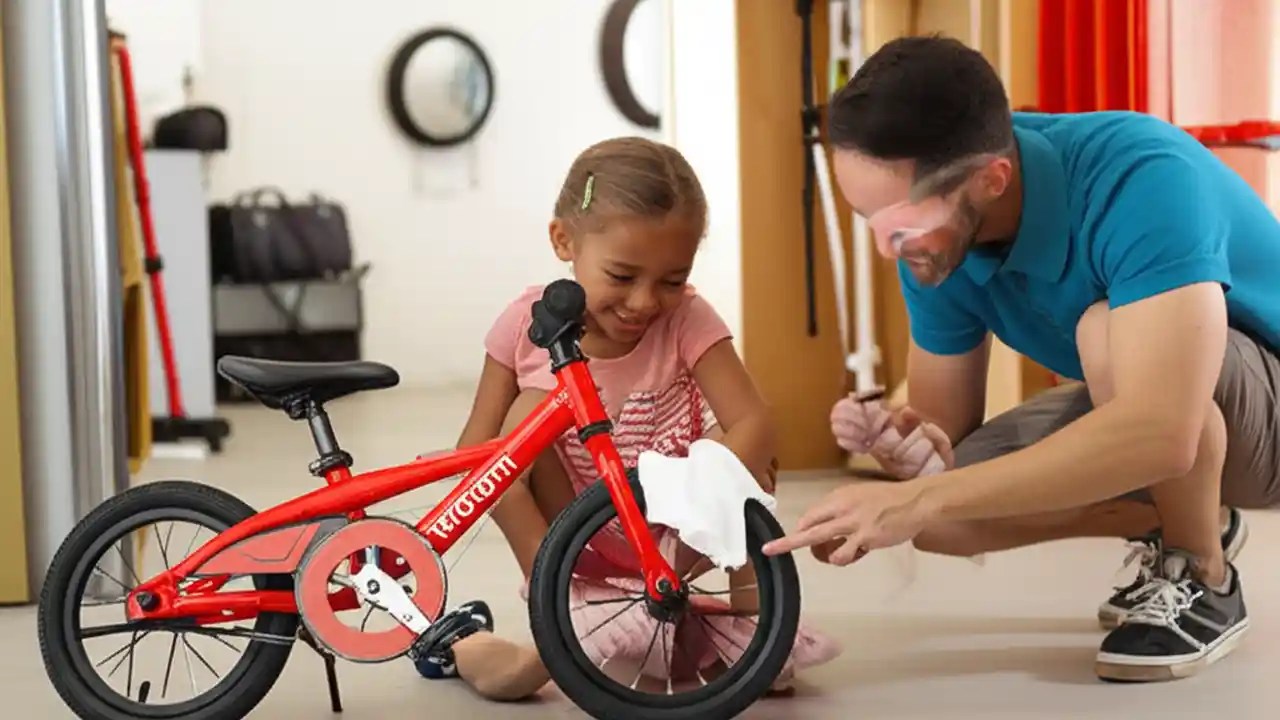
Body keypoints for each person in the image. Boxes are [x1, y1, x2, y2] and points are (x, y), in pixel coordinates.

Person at [764, 34, 1280, 683]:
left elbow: (1163, 429)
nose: (888, 250)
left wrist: (922, 498)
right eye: (870, 221)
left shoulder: (1141, 176)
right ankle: (1191, 517)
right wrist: (907, 447)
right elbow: (945, 441)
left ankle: (1201, 569)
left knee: (1102, 331)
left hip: (1265, 413)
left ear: (992, 179)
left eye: (900, 221)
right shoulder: (938, 240)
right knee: (942, 522)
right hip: (1174, 409)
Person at [411, 137, 839, 701]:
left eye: (671, 279)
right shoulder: (523, 325)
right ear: (564, 241)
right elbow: (477, 459)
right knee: (513, 677)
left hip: (673, 526)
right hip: (575, 539)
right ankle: (531, 615)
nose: (644, 302)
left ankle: (750, 628)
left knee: (751, 457)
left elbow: (755, 422)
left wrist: (683, 538)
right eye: (621, 275)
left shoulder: (687, 317)